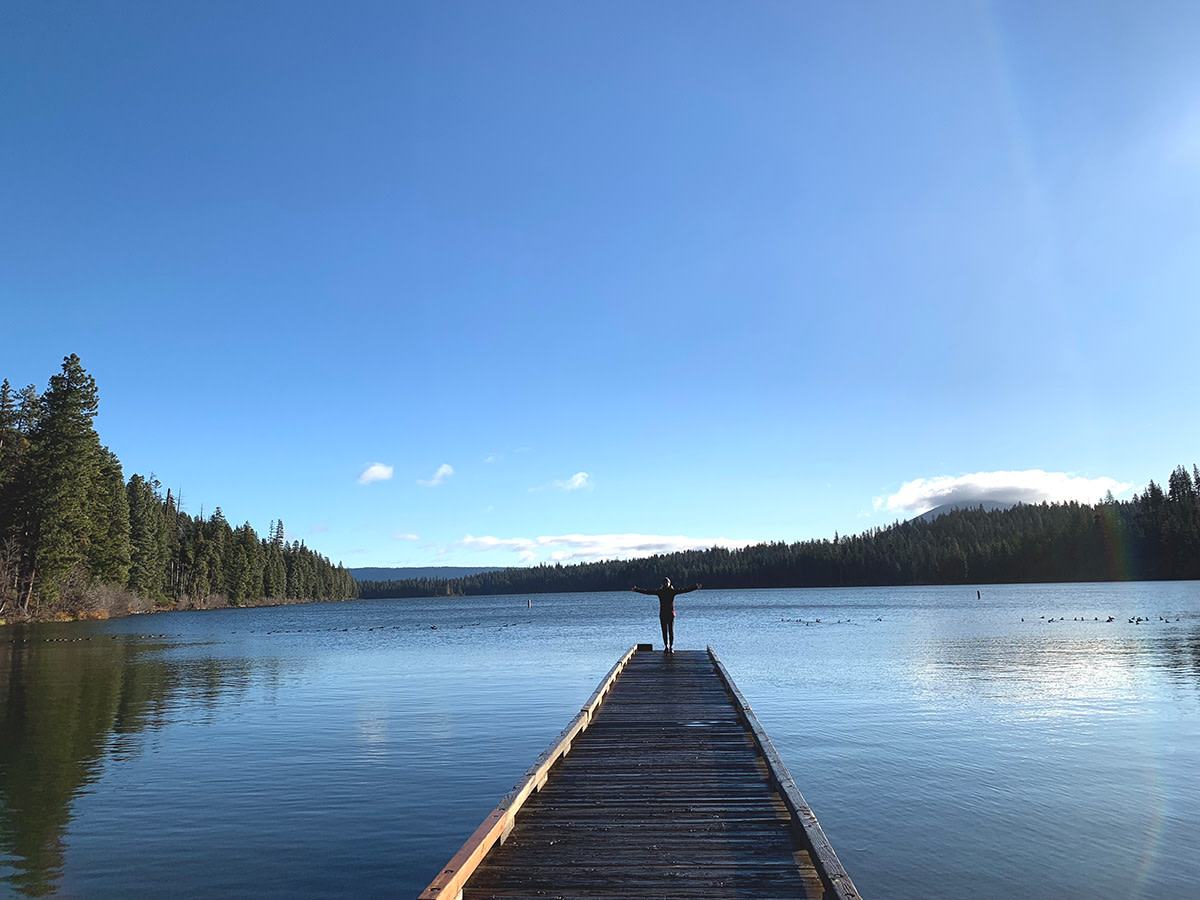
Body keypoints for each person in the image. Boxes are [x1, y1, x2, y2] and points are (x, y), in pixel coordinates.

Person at [631, 577, 701, 652]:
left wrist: (695, 587)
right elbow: (648, 592)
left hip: (670, 614)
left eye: (666, 583)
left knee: (670, 631)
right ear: (663, 584)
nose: (665, 584)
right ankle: (666, 647)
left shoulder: (671, 591)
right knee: (665, 631)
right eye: (665, 583)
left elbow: (684, 590)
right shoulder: (662, 591)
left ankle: (670, 647)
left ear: (669, 583)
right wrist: (636, 590)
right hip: (664, 614)